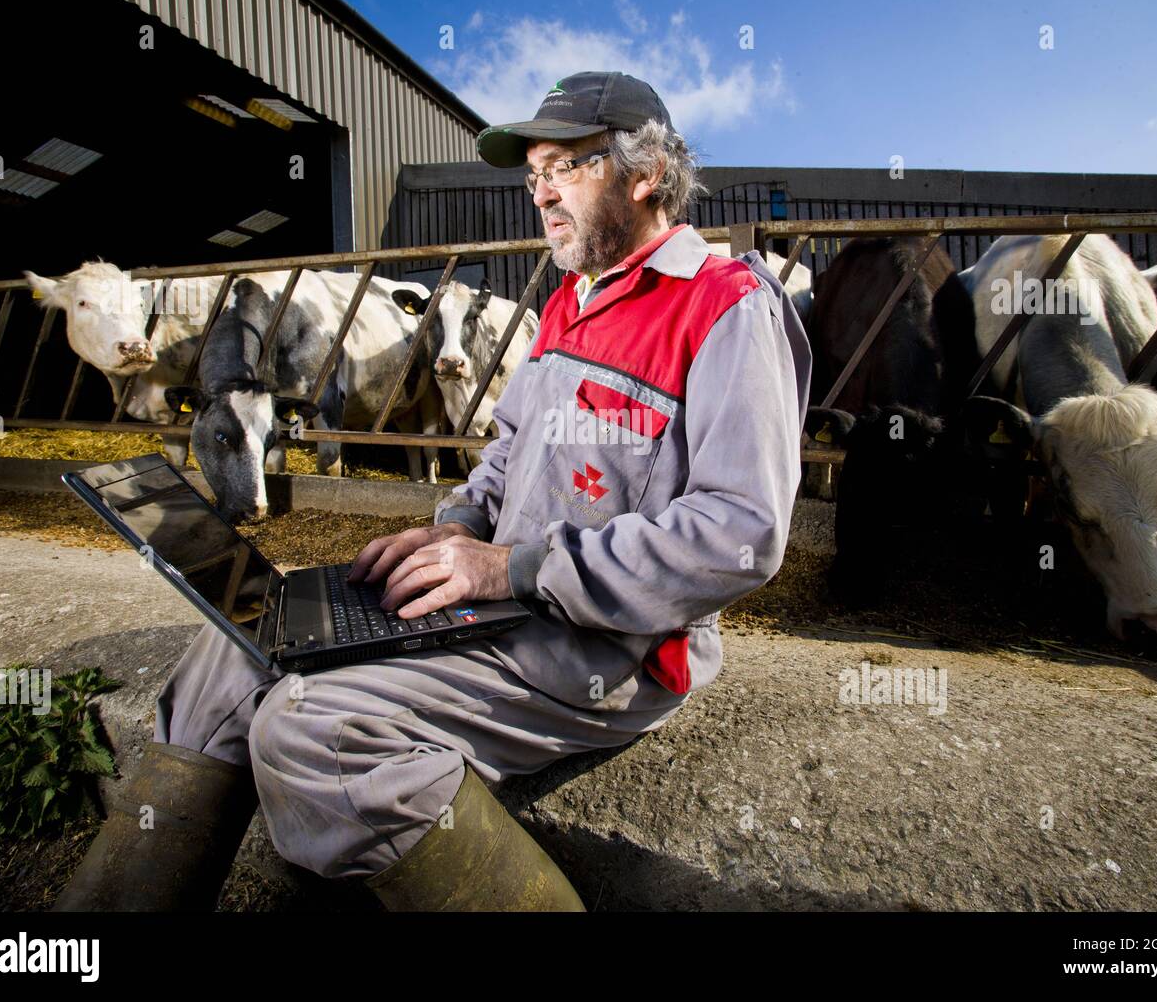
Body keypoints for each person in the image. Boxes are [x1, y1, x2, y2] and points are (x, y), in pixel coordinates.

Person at [53, 71, 812, 913]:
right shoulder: (572, 299)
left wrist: (510, 570)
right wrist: (448, 530)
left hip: (609, 646)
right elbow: (508, 455)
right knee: (235, 645)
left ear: (646, 172)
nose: (541, 194)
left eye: (563, 167)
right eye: (533, 176)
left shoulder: (727, 308)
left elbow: (740, 534)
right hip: (503, 601)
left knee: (309, 730)